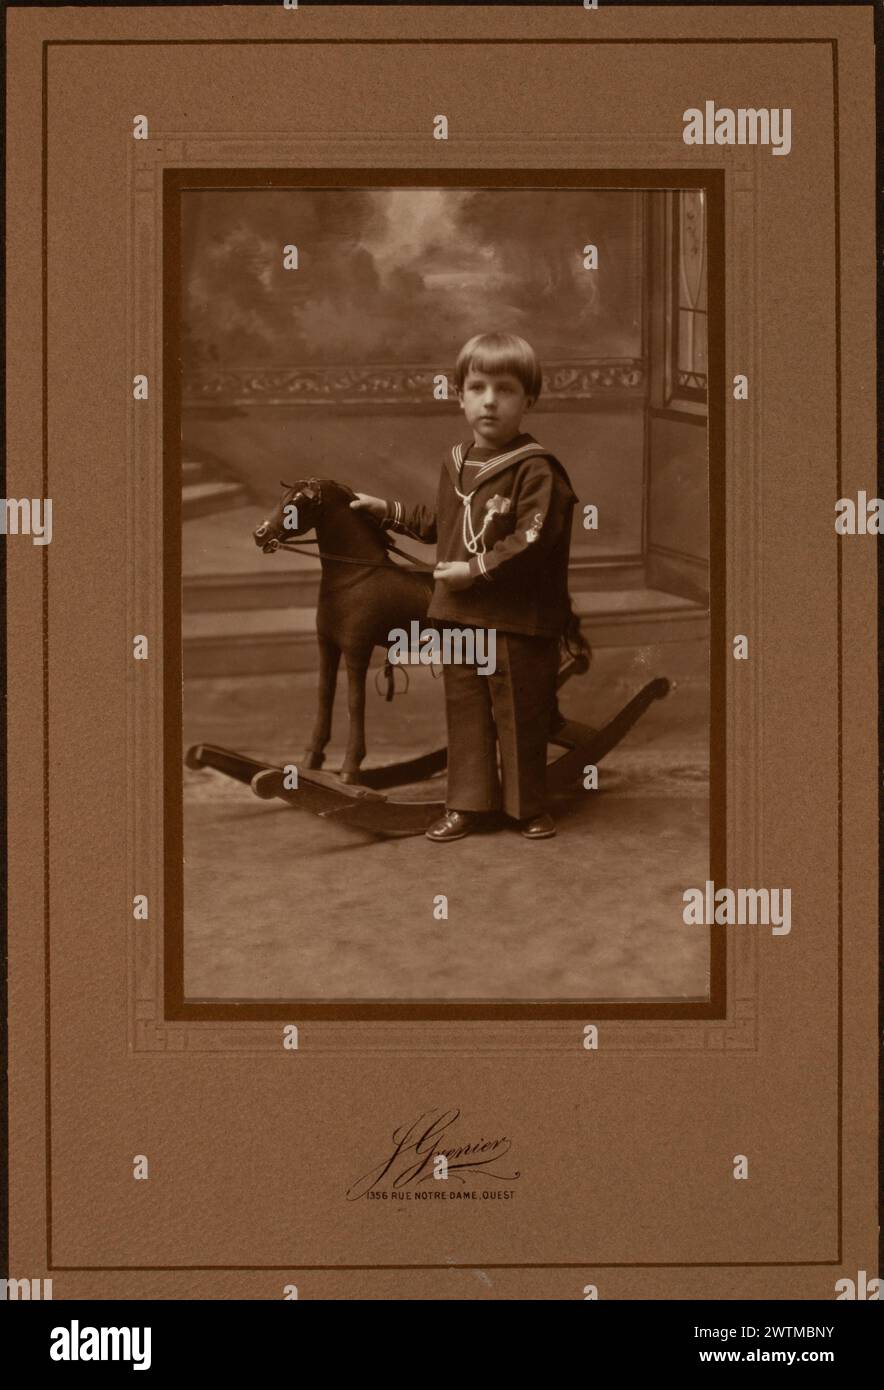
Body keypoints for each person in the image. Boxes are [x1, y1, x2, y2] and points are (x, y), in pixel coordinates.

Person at [351, 331, 579, 841]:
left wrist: (473, 571)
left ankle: (527, 808)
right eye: (476, 388)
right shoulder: (455, 461)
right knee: (467, 712)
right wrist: (386, 512)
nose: (490, 401)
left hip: (516, 618)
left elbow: (534, 539)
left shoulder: (537, 470)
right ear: (459, 396)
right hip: (458, 613)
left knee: (518, 713)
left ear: (530, 400)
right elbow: (443, 524)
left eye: (505, 389)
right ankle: (469, 804)